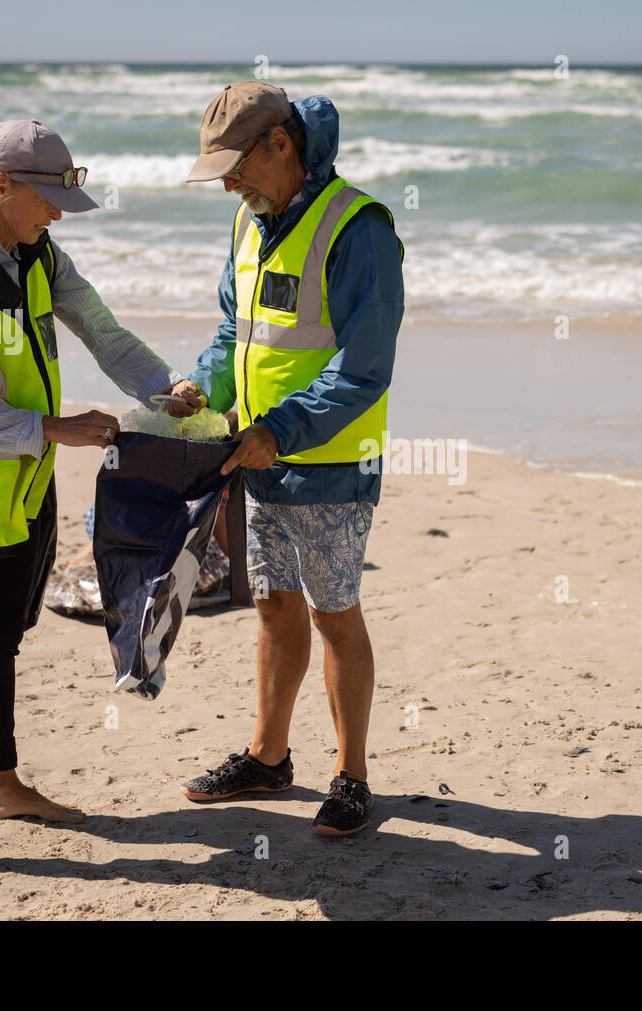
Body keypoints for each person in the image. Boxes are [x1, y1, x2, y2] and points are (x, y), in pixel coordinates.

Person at [0, 120, 203, 885]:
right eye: (50, 199)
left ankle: (1, 786)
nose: (59, 214)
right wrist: (56, 428)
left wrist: (162, 388)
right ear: (1, 188)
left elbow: (100, 329)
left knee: (0, 645)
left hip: (21, 492)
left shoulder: (38, 256)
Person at [180, 83, 403, 837]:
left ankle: (352, 777)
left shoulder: (358, 227)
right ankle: (269, 758)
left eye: (236, 167)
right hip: (259, 453)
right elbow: (231, 331)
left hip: (331, 461)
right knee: (273, 607)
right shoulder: (251, 221)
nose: (230, 186)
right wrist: (197, 388)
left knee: (332, 611)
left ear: (280, 144)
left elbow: (364, 366)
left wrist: (281, 427)